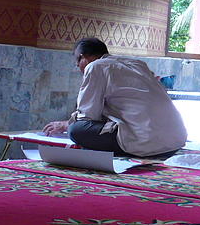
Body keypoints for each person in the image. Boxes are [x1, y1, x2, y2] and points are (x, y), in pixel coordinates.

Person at [43, 38, 187, 157]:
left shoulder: (95, 67)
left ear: (83, 58)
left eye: (77, 62)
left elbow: (87, 116)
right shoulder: (137, 64)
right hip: (175, 140)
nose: (78, 67)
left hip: (146, 142)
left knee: (76, 129)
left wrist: (64, 125)